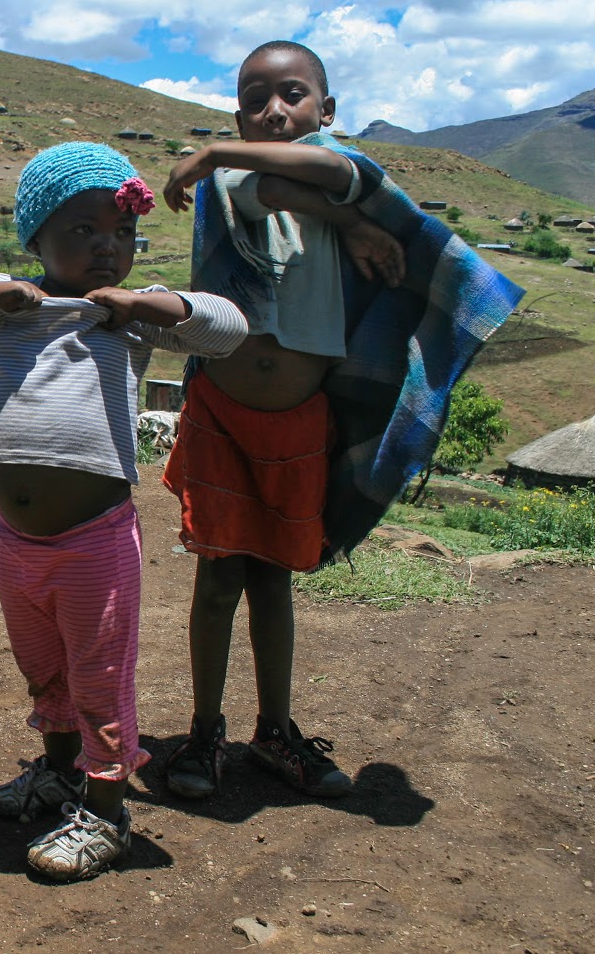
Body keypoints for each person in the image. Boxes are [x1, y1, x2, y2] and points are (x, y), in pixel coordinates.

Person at [159, 40, 522, 801]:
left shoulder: (335, 172)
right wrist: (340, 222)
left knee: (275, 581)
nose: (273, 110)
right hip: (223, 413)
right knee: (220, 579)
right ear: (237, 113)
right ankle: (203, 730)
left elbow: (336, 174)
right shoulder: (234, 184)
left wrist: (339, 212)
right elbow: (270, 188)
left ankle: (275, 730)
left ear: (328, 111)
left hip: (300, 419)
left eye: (292, 95)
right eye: (255, 99)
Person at [0, 143, 247, 882]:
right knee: (43, 671)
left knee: (99, 676)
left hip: (94, 541)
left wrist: (145, 303)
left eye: (122, 233)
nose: (107, 248)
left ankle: (108, 810)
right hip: (17, 539)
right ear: (37, 237)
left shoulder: (129, 322)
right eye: (84, 230)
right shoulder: (10, 308)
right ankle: (59, 777)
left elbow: (227, 326)